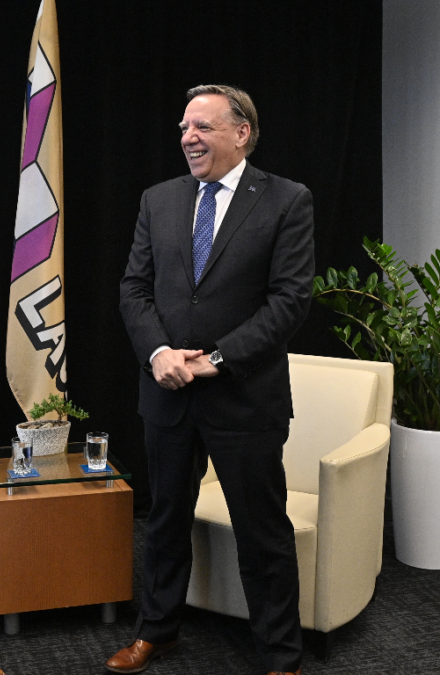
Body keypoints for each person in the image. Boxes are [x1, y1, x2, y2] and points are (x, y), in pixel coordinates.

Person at [114, 84, 314, 675]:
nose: (187, 138)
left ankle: (281, 655)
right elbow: (134, 288)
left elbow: (289, 301)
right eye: (183, 128)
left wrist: (216, 359)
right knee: (165, 519)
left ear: (241, 132)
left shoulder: (286, 200)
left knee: (262, 531)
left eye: (201, 126)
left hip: (244, 396)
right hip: (167, 392)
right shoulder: (159, 199)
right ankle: (158, 631)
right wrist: (157, 353)